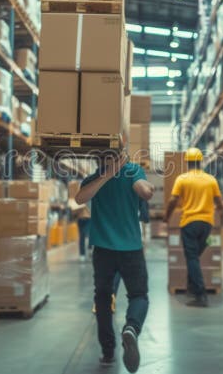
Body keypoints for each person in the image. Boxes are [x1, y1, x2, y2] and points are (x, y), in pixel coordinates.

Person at [75, 152, 154, 373]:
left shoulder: (93, 179)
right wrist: (145, 188)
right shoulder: (133, 171)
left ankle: (108, 352)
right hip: (131, 250)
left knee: (102, 299)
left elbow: (80, 198)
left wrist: (107, 175)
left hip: (103, 252)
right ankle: (131, 328)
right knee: (138, 295)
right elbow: (144, 191)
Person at [165, 147, 223, 308]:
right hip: (207, 225)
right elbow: (219, 202)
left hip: (189, 223)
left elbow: (172, 201)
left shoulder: (182, 179)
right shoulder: (211, 180)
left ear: (187, 163)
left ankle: (200, 294)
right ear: (200, 162)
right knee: (195, 257)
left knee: (192, 258)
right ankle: (191, 287)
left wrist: (167, 216)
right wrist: (221, 216)